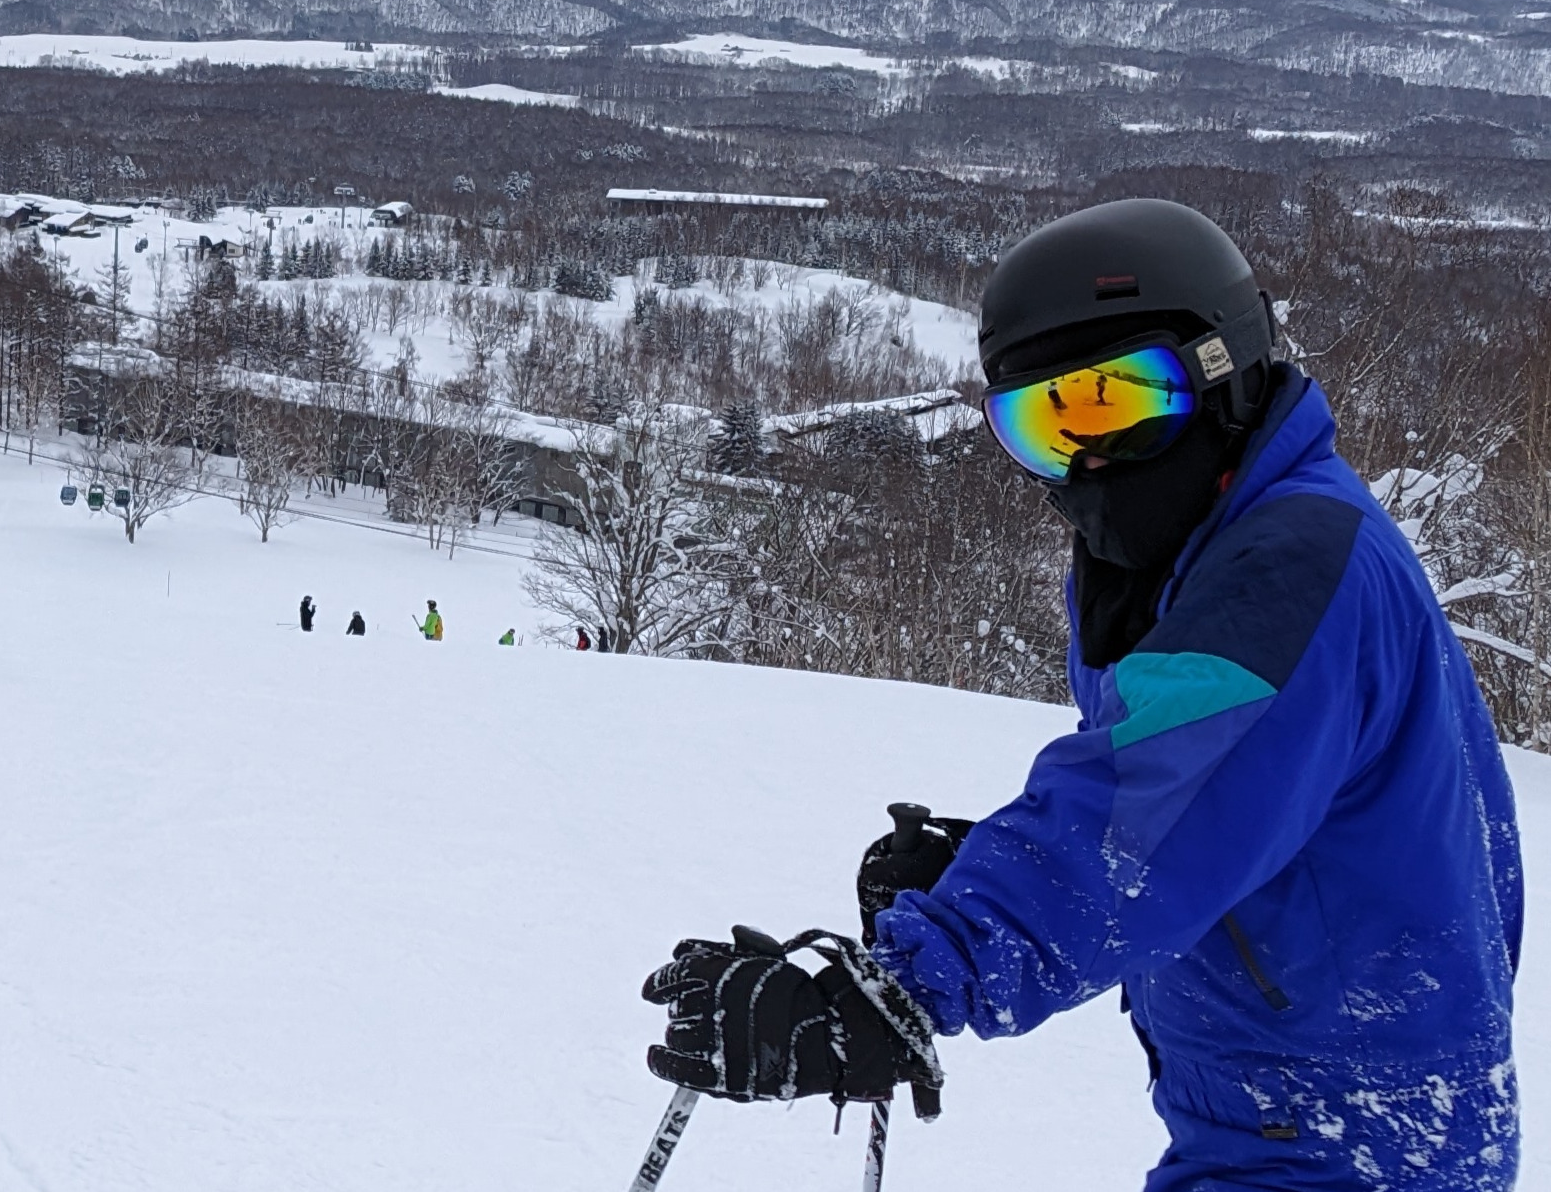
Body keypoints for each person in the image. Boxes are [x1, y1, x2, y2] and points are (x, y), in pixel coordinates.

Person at [641, 199, 1521, 1190]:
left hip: (1345, 1137)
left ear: (1219, 369)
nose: (1086, 456)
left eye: (1116, 401)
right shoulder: (1193, 541)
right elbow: (1216, 801)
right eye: (1042, 422)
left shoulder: (1286, 569)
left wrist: (910, 979)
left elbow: (1149, 807)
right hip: (1290, 1110)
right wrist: (980, 865)